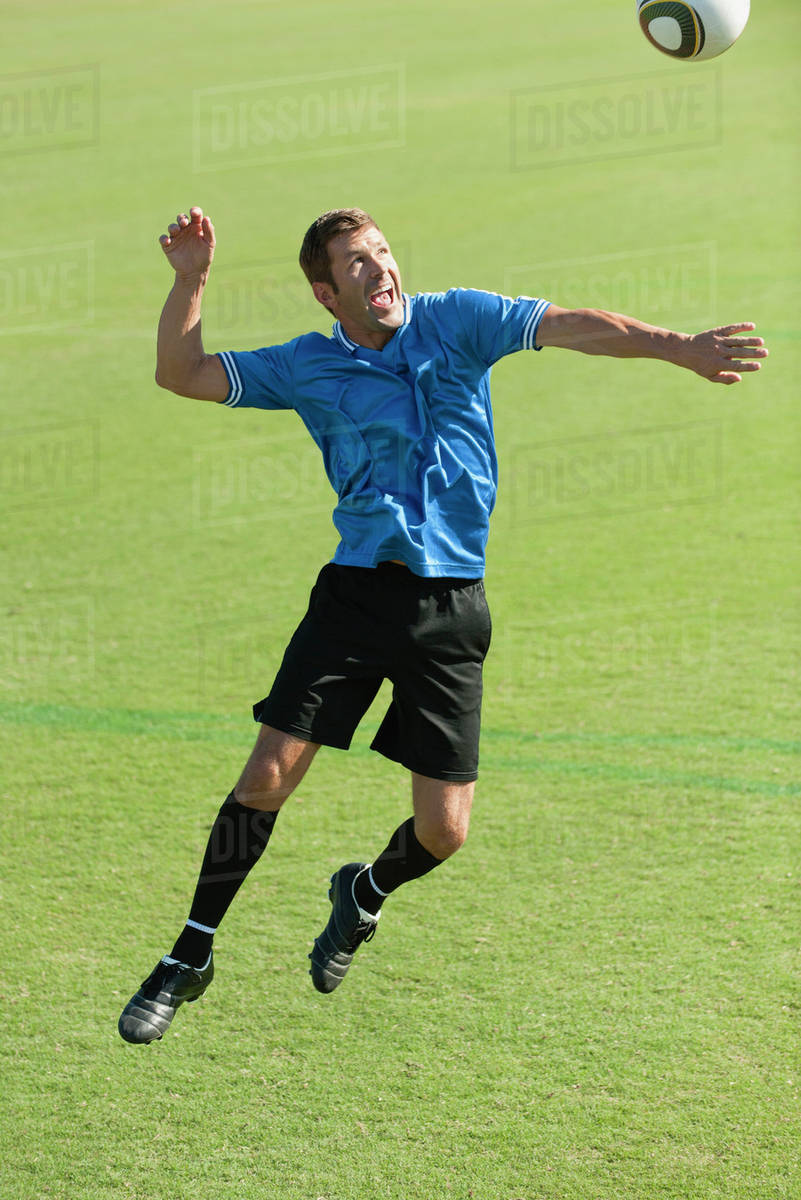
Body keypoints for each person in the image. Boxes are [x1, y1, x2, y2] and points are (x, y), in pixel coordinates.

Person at [118, 205, 767, 1044]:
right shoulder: (306, 365)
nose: (379, 269)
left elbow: (572, 325)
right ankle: (189, 954)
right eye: (356, 263)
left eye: (382, 252)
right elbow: (182, 374)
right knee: (267, 778)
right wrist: (192, 280)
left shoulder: (457, 318)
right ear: (326, 293)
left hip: (453, 607)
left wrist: (677, 348)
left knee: (442, 832)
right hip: (355, 596)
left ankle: (363, 892)